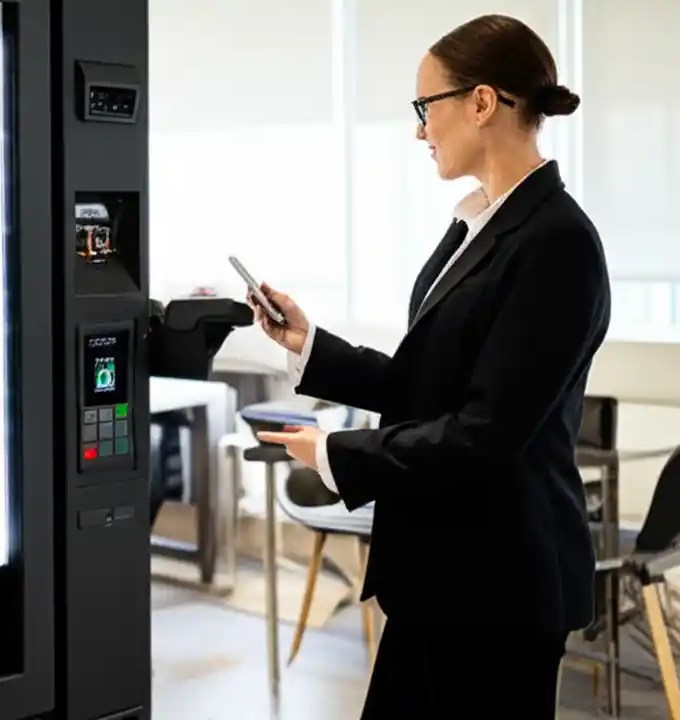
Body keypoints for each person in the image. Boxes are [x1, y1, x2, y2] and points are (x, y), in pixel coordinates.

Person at [251, 14, 610, 720]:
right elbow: (427, 382)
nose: (420, 131)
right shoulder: (478, 224)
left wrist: (335, 452)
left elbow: (485, 434)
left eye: (425, 107)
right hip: (444, 576)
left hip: (499, 589)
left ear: (482, 103)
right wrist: (309, 344)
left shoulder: (557, 242)